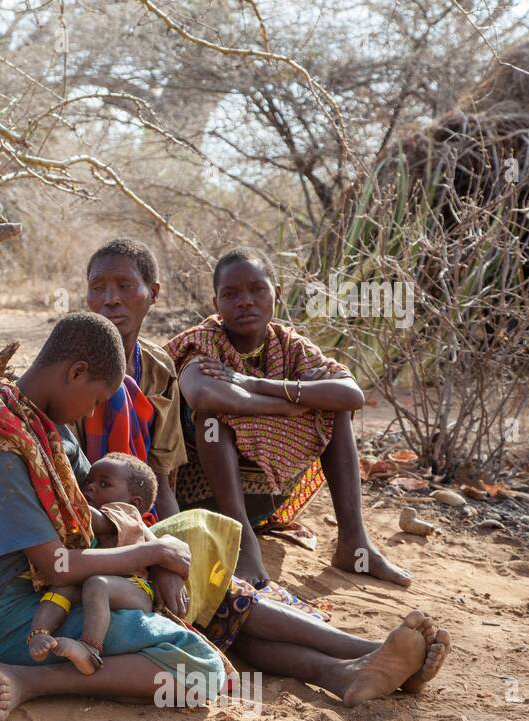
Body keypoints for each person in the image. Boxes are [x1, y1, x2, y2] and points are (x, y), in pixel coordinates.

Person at [0, 312, 450, 721]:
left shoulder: (36, 423)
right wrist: (151, 552)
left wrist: (151, 546)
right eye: (96, 400)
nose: (94, 414)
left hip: (61, 588)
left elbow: (89, 514)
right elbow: (53, 564)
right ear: (75, 373)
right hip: (11, 616)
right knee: (198, 668)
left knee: (203, 592)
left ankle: (355, 662)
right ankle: (28, 678)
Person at [166, 246, 412, 589]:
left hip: (266, 495)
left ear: (276, 295)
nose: (245, 301)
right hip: (204, 499)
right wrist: (284, 403)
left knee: (334, 412)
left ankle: (353, 542)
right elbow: (202, 394)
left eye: (257, 290)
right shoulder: (205, 340)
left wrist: (252, 383)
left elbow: (350, 394)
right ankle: (242, 543)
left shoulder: (288, 345)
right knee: (211, 420)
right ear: (216, 304)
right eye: (231, 294)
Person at [80, 239, 188, 520]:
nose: (110, 299)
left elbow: (160, 479)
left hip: (141, 510)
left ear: (153, 293)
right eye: (98, 288)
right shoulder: (71, 367)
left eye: (125, 286)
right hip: (80, 509)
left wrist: (168, 535)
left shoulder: (159, 368)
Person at [27, 453, 158, 674]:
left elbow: (93, 519)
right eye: (88, 481)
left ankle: (90, 649)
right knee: (63, 586)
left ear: (134, 501)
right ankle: (39, 633)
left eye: (104, 484)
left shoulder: (126, 513)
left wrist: (52, 495)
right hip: (94, 585)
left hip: (134, 589)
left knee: (98, 584)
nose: (90, 488)